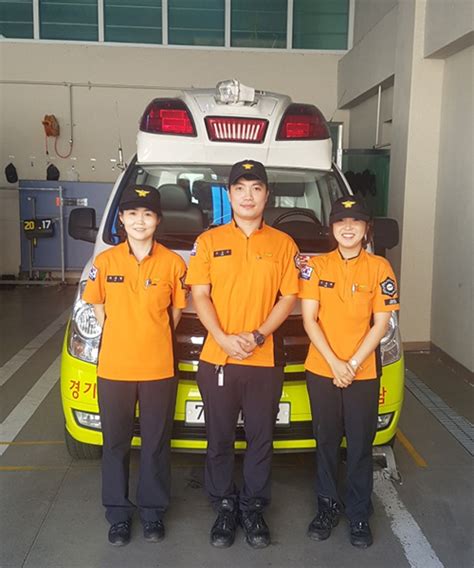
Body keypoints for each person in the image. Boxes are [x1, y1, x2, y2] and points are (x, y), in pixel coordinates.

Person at [186, 160, 299, 549]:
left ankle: (252, 507)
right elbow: (200, 294)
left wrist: (258, 334)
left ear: (267, 195)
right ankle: (223, 506)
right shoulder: (209, 242)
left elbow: (289, 296)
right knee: (218, 437)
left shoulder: (283, 244)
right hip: (218, 358)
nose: (247, 196)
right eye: (240, 188)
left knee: (260, 438)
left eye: (256, 188)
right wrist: (222, 337)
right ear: (229, 194)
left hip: (264, 359)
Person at [82, 184, 187, 546]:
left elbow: (175, 312)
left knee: (156, 443)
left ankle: (153, 512)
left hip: (159, 369)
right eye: (132, 214)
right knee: (115, 444)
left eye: (147, 214)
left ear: (158, 220)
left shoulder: (173, 263)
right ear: (122, 220)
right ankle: (118, 514)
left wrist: (150, 335)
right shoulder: (104, 263)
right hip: (114, 369)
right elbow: (98, 306)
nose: (139, 221)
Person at [299, 196, 400, 548]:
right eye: (341, 221)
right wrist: (335, 363)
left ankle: (358, 513)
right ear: (331, 228)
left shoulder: (380, 269)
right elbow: (309, 320)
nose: (347, 227)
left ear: (366, 228)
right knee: (326, 441)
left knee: (359, 444)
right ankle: (326, 506)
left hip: (363, 372)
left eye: (355, 221)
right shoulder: (316, 267)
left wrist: (352, 364)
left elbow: (380, 324)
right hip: (322, 369)